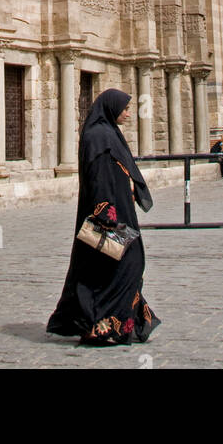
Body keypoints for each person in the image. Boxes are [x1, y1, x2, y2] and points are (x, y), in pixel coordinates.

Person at [47, 89, 159, 346]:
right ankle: (99, 325)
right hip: (108, 217)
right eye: (126, 109)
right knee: (122, 266)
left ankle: (116, 324)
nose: (129, 114)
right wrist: (106, 216)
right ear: (112, 107)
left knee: (124, 267)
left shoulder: (109, 133)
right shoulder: (97, 136)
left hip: (121, 213)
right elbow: (97, 179)